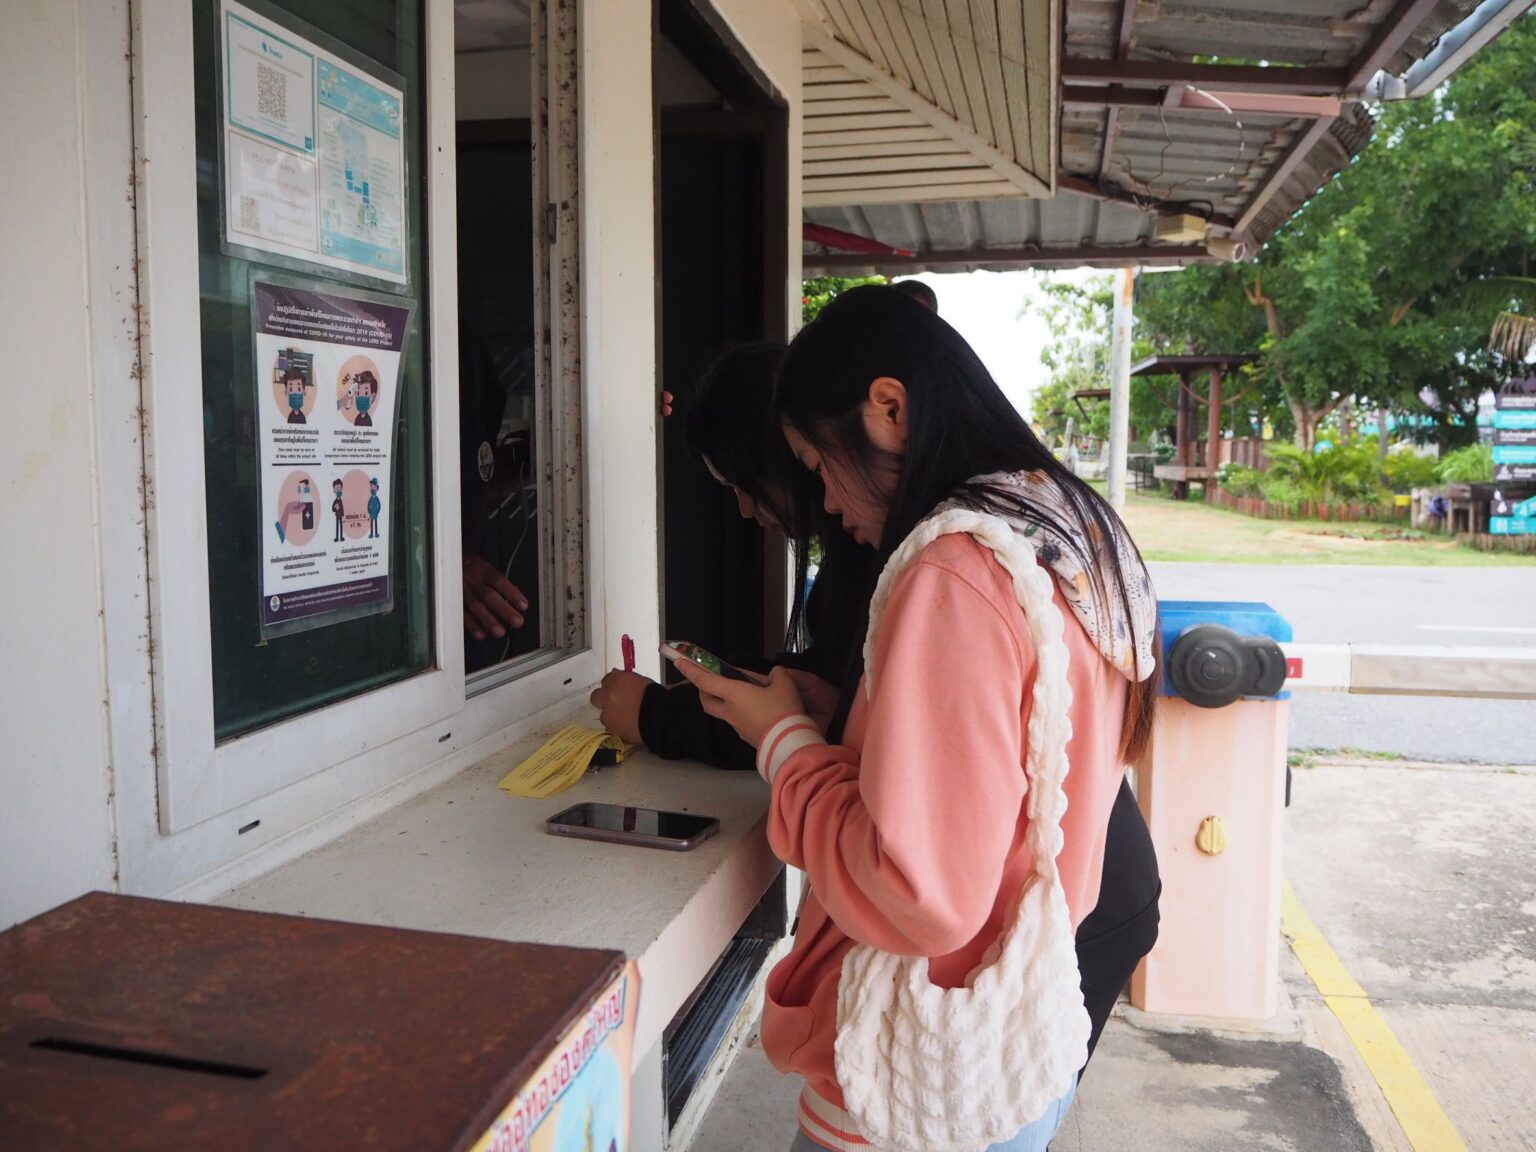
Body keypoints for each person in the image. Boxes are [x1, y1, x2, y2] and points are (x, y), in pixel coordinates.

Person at [672, 287, 1160, 1152]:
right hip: (1012, 1040)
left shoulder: (953, 567)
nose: (822, 501)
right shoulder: (1071, 525)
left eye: (817, 465)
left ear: (888, 410)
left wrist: (783, 743)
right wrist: (854, 721)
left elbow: (917, 894)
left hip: (906, 1074)